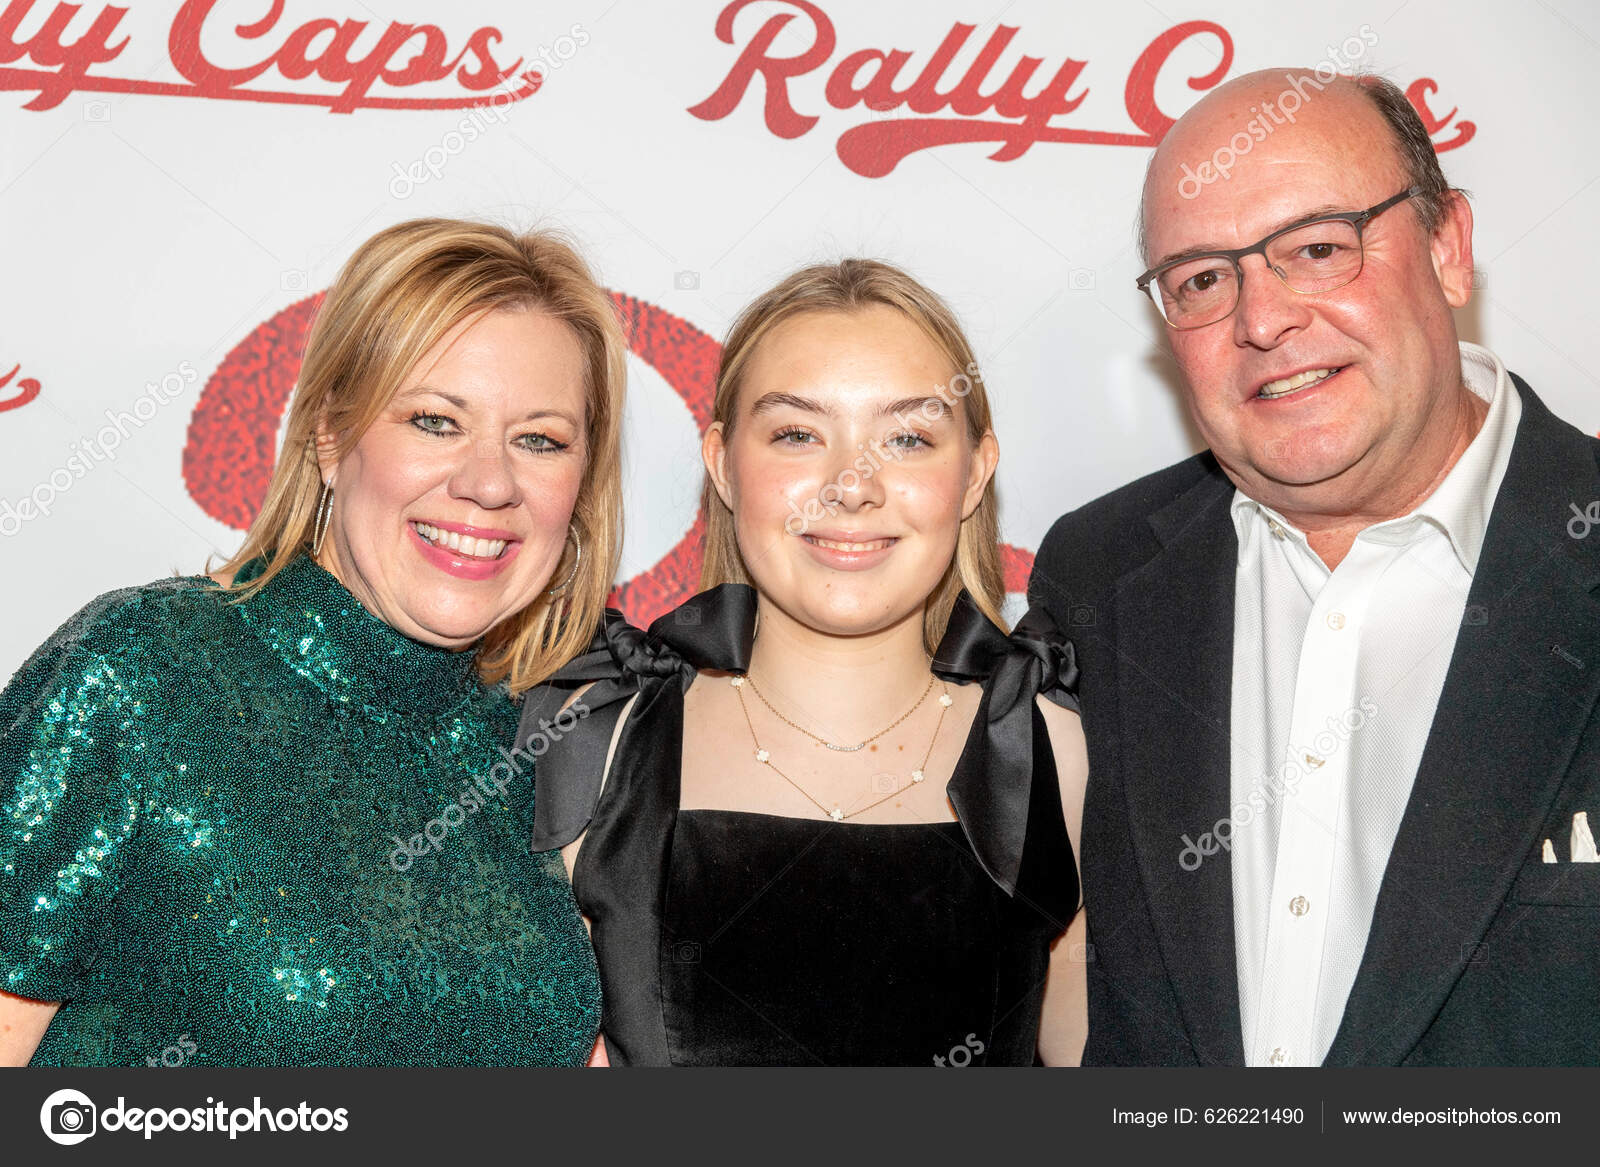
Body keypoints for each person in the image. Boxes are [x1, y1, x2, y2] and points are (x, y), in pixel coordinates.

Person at [1030, 70, 1600, 1067]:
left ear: (1447, 247)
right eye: (1201, 279)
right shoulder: (1097, 577)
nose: (1262, 319)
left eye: (1316, 248)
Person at [0, 218, 628, 1066]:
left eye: (540, 440)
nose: (489, 482)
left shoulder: (546, 739)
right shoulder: (146, 668)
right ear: (332, 436)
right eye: (436, 420)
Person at [522, 259, 1090, 1066]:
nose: (851, 486)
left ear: (974, 473)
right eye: (797, 433)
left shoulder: (1049, 750)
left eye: (907, 437)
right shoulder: (592, 737)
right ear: (722, 463)